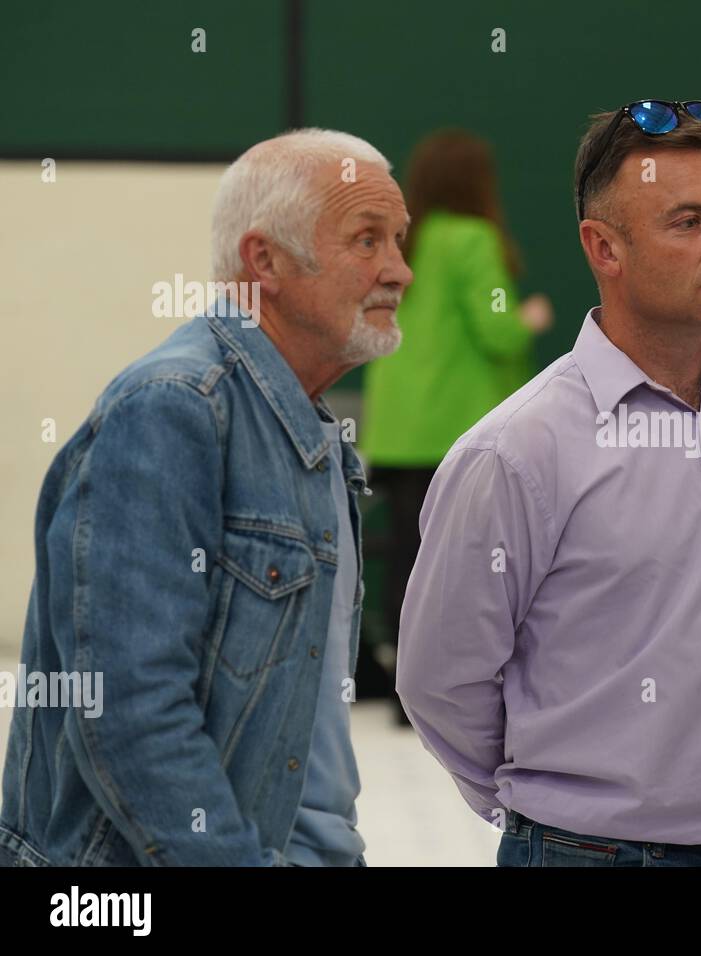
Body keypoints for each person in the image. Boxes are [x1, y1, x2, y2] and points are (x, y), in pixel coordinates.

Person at [396, 100, 701, 867]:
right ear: (604, 248)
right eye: (687, 222)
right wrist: (566, 808)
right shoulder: (519, 450)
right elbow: (440, 679)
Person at [0, 129, 413, 866]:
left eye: (398, 241)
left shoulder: (311, 434)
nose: (399, 271)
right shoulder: (172, 411)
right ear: (266, 261)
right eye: (368, 240)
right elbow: (130, 713)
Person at [360, 130, 552, 724]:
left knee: (407, 562)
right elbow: (496, 328)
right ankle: (453, 697)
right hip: (456, 428)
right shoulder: (472, 238)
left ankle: (402, 696)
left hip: (396, 426)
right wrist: (529, 317)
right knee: (466, 563)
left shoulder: (402, 242)